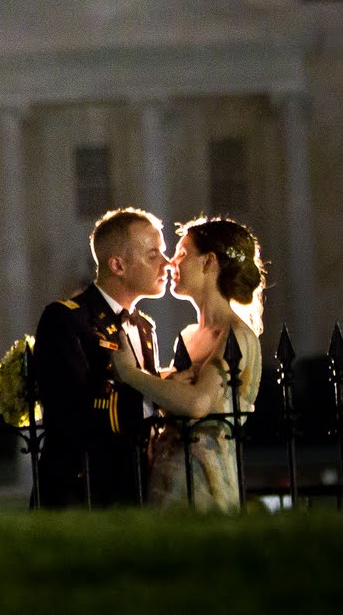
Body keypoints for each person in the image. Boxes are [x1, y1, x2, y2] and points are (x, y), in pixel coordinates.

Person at [109, 215, 265, 512]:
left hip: (206, 480)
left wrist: (131, 373)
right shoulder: (189, 335)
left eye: (182, 253)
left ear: (209, 262)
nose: (171, 263)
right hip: (165, 475)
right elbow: (172, 395)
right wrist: (165, 384)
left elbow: (196, 403)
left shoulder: (236, 336)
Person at [31, 206, 169, 508]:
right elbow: (68, 410)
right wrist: (158, 396)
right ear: (117, 265)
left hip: (135, 484)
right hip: (82, 489)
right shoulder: (66, 318)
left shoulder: (145, 327)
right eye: (153, 255)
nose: (167, 264)